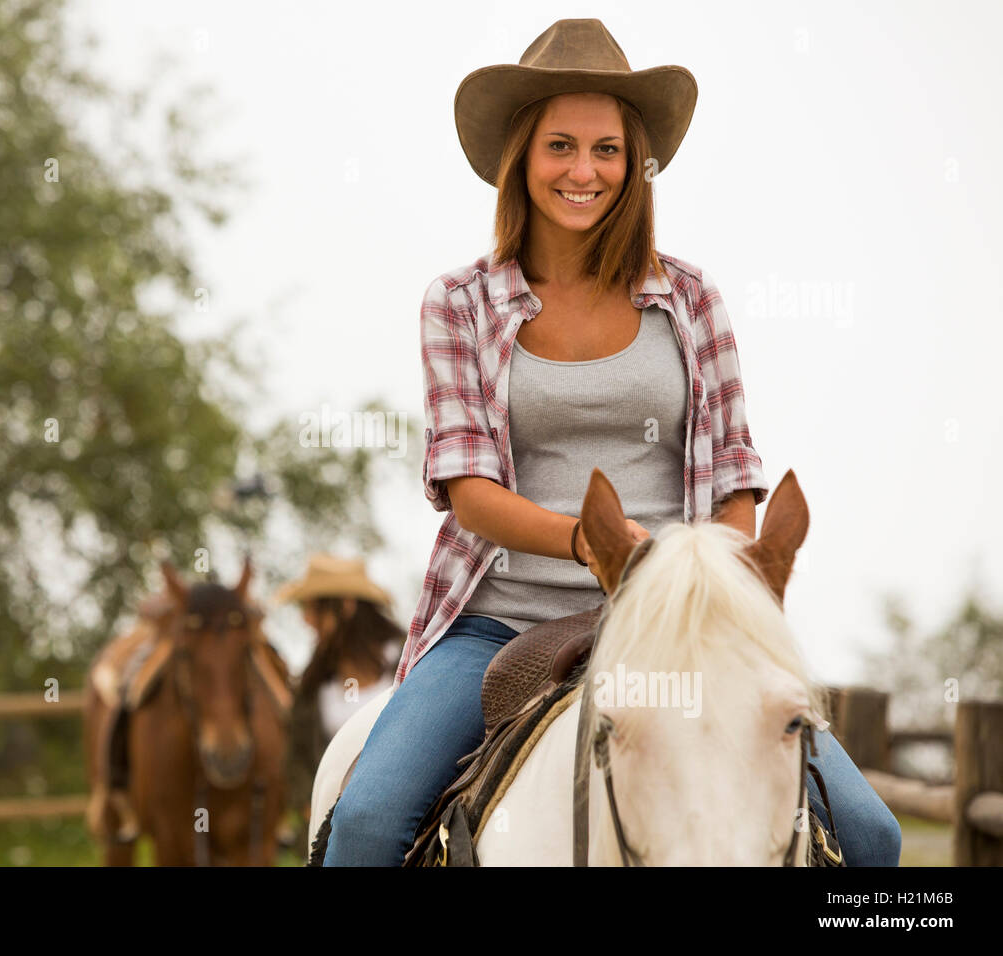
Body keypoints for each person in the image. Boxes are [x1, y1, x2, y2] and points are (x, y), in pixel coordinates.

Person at [322, 19, 902, 866]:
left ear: (635, 166)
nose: (583, 171)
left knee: (871, 836)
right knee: (369, 822)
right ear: (523, 156)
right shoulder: (459, 303)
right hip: (499, 621)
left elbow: (735, 477)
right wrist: (598, 547)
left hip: (674, 622)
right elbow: (470, 489)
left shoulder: (692, 300)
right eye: (560, 145)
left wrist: (710, 591)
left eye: (607, 150)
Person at [273, 554, 404, 826]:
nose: (305, 620)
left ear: (345, 606)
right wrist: (310, 806)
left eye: (313, 609)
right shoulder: (313, 685)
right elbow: (296, 754)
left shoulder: (406, 660)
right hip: (332, 828)